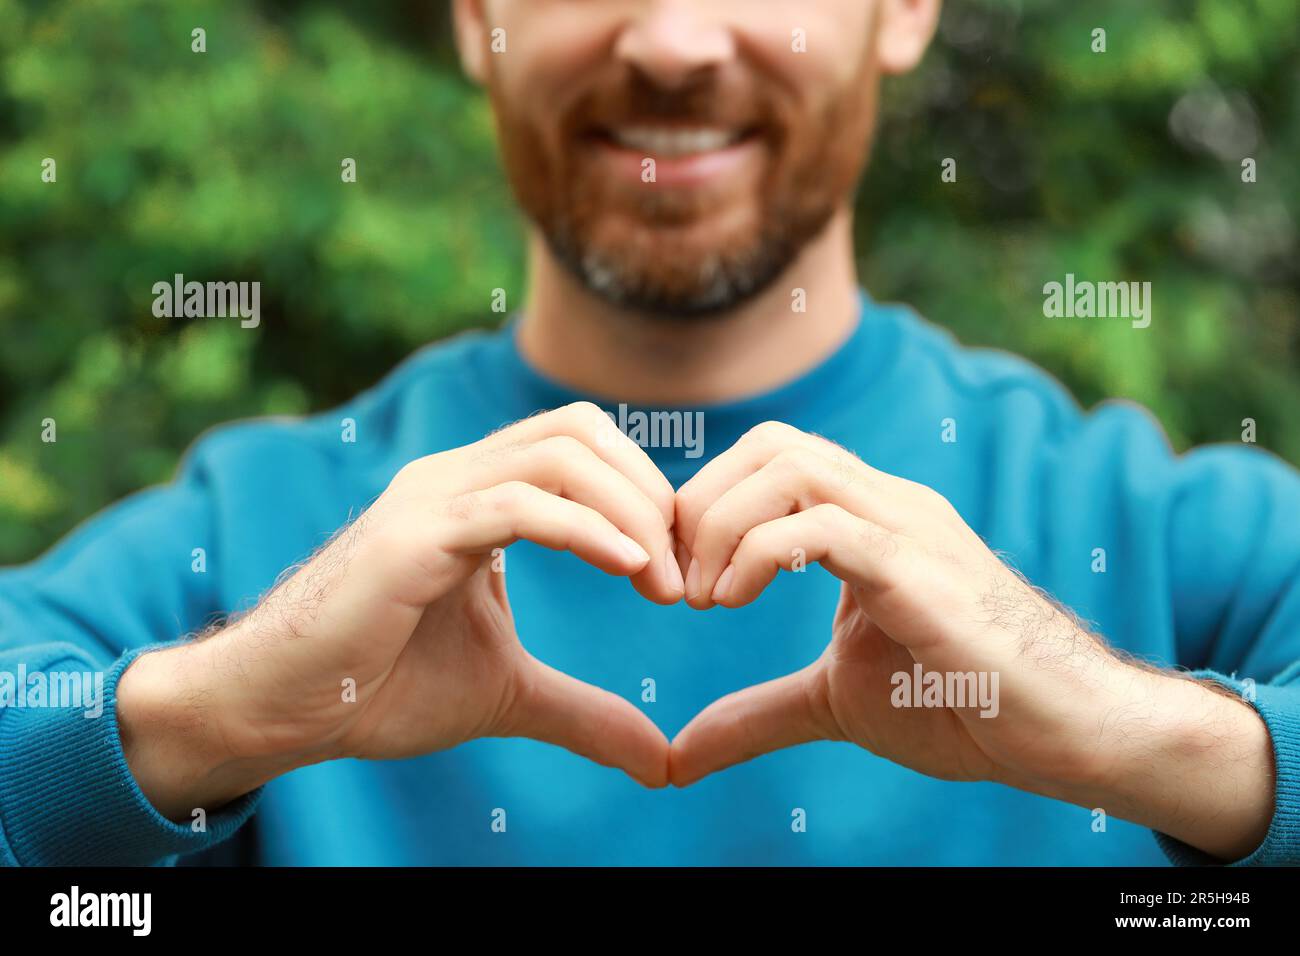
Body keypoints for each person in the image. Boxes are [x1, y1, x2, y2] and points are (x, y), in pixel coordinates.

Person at [2, 0, 1296, 867]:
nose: (675, 42)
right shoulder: (252, 537)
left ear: (905, 11)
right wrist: (212, 713)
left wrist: (1146, 738)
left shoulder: (1180, 542)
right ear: (474, 19)